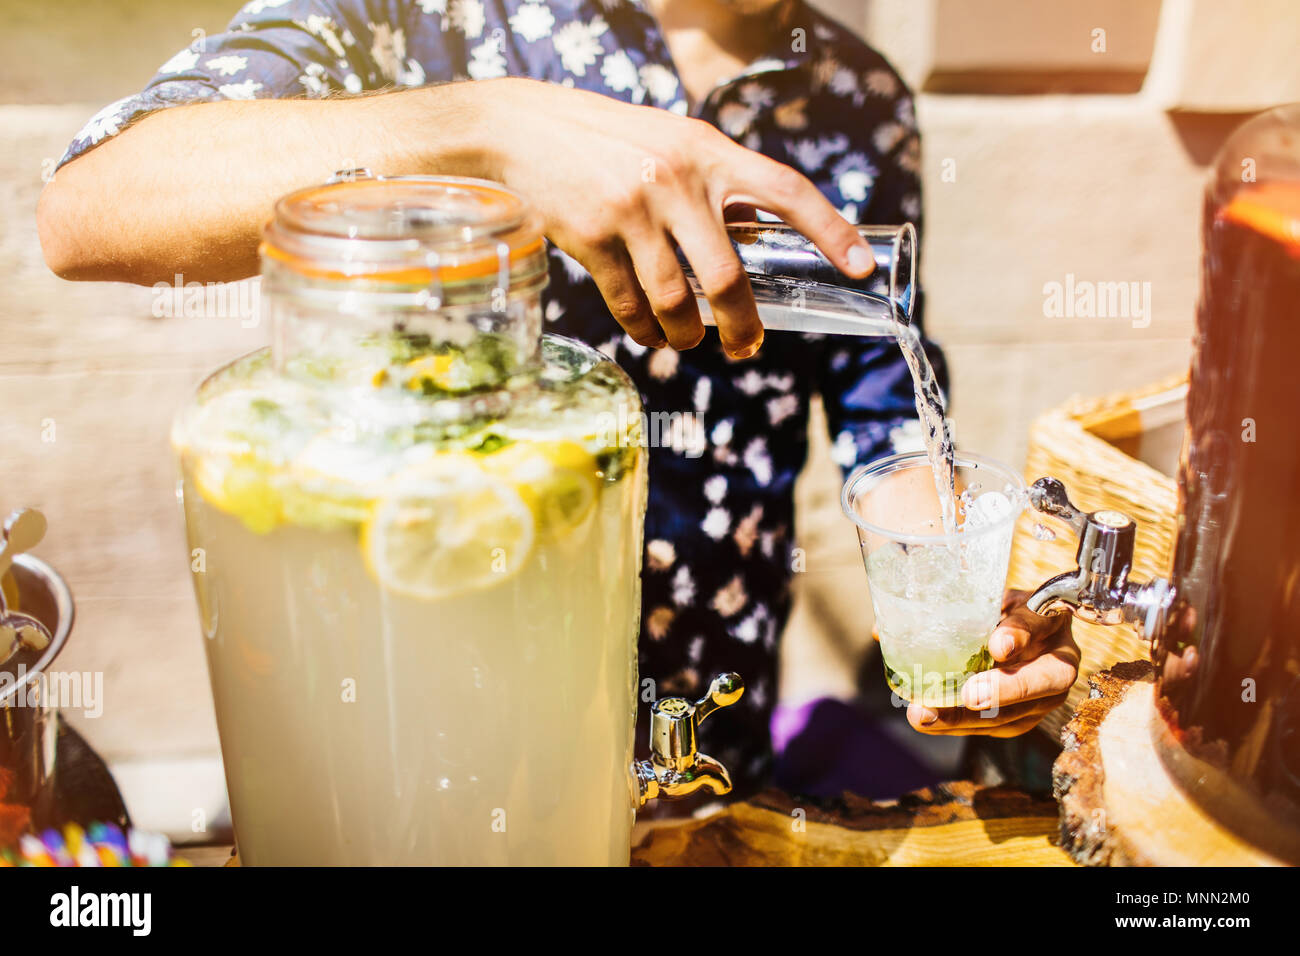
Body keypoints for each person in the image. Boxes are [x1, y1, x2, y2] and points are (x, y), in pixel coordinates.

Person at [38, 0, 1077, 801]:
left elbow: (886, 409)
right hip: (442, 734)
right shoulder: (439, 21)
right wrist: (485, 129)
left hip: (709, 749)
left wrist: (968, 606)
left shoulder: (858, 94)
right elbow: (92, 208)